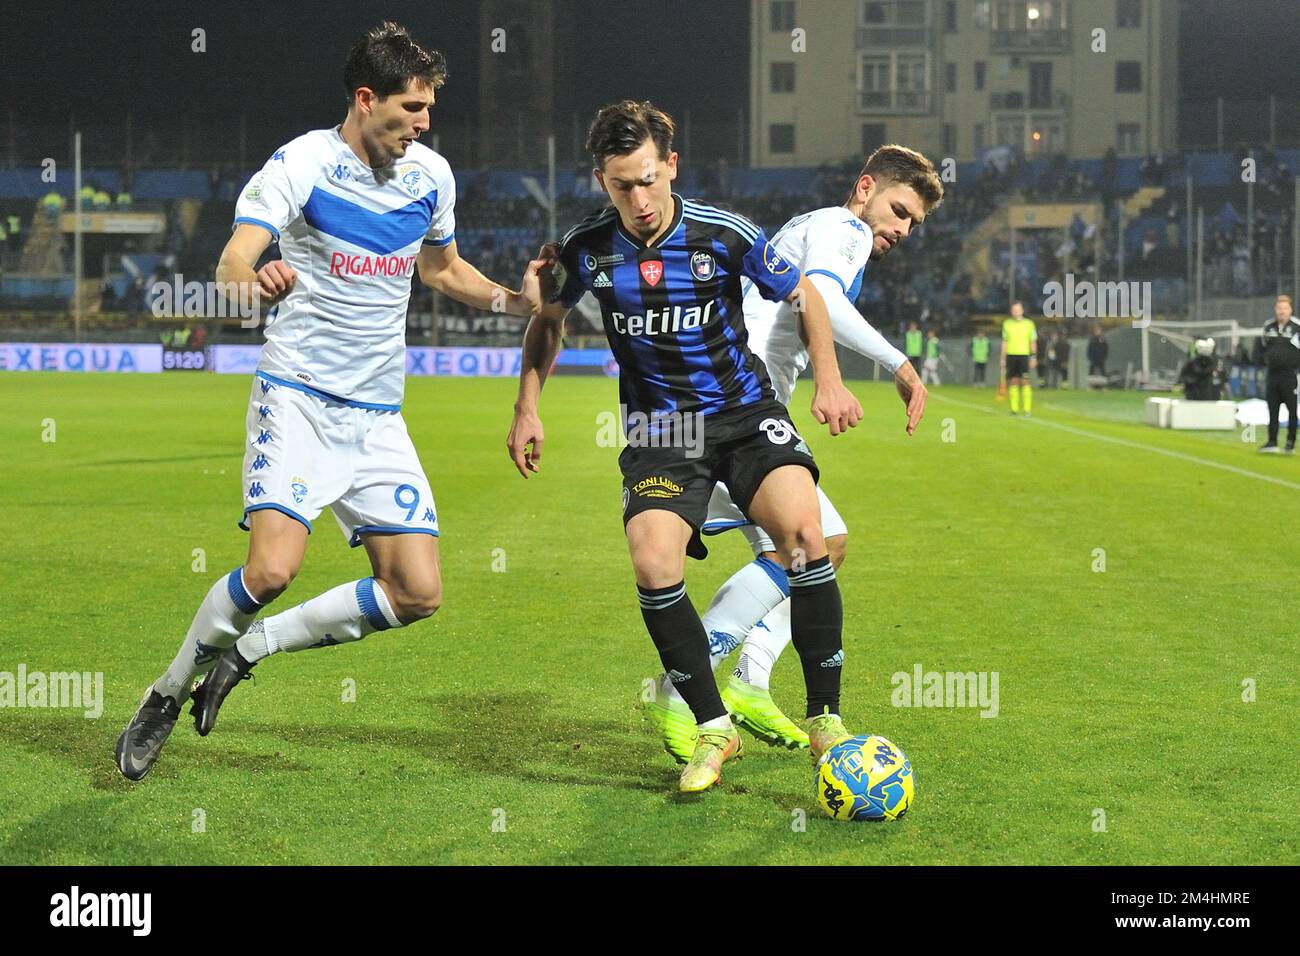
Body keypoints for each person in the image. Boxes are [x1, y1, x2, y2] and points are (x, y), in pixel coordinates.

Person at [116, 22, 542, 781]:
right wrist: (258, 280)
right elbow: (232, 263)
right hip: (300, 397)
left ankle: (249, 650)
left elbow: (444, 272)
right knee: (272, 570)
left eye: (429, 108)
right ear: (365, 98)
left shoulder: (431, 177)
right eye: (412, 107)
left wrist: (519, 304)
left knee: (417, 592)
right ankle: (166, 691)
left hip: (378, 415)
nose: (425, 122)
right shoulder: (301, 164)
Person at [508, 100, 863, 794]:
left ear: (671, 165)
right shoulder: (585, 248)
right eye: (620, 185)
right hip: (661, 432)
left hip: (742, 414)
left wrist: (828, 378)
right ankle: (713, 727)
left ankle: (827, 720)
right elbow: (546, 319)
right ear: (601, 181)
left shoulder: (723, 233)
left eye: (647, 179)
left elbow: (806, 298)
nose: (638, 199)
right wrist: (527, 406)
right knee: (652, 561)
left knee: (806, 538)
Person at [644, 145, 938, 762]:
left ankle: (746, 684)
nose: (902, 230)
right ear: (866, 188)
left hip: (723, 412)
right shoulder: (845, 228)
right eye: (900, 210)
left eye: (913, 224)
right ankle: (683, 689)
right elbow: (823, 299)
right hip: (739, 420)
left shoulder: (809, 225)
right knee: (817, 545)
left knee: (813, 546)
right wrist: (899, 363)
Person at [1259, 294, 1300, 453]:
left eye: (1285, 308)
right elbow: (1262, 348)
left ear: (1290, 310)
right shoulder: (1268, 327)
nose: (1282, 311)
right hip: (1272, 374)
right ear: (1275, 310)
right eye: (1279, 308)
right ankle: (1272, 441)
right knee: (1272, 409)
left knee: (1291, 410)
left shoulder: (1297, 327)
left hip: (1290, 375)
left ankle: (1290, 442)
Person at [1000, 301, 1037, 415]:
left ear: (1022, 311)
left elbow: (1032, 341)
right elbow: (1005, 342)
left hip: (1024, 355)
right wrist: (1002, 358)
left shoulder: (1029, 324)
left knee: (1025, 381)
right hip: (1011, 355)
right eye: (1014, 310)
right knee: (1013, 381)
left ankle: (1027, 410)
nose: (1016, 312)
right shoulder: (1007, 324)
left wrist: (1033, 356)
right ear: (1011, 311)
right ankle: (1014, 409)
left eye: (1017, 310)